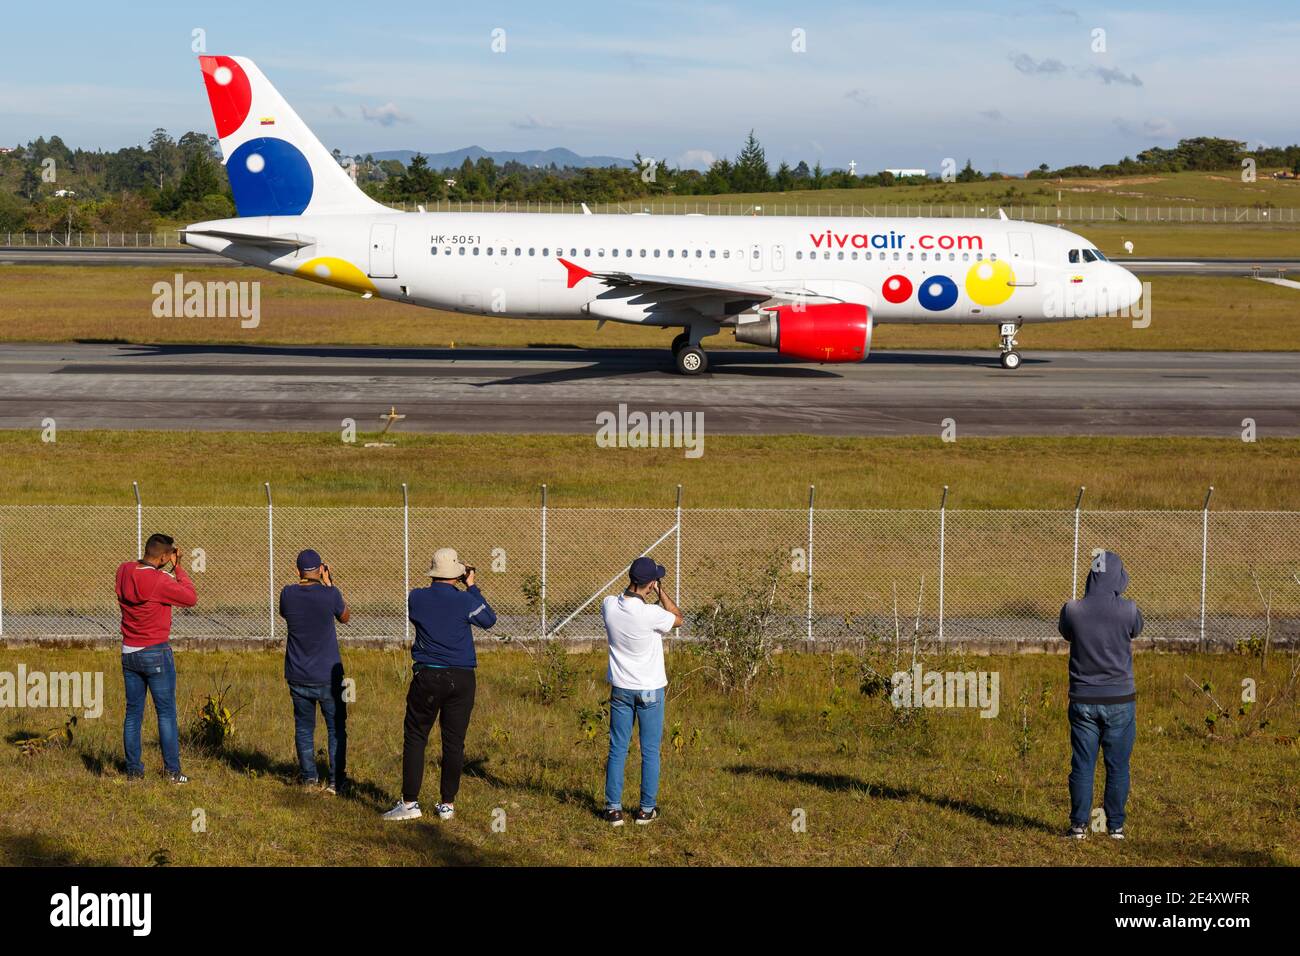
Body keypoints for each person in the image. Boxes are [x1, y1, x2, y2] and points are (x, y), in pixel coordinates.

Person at [383, 548, 496, 822]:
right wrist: (471, 586)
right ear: (457, 574)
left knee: (416, 736)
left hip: (428, 675)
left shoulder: (416, 597)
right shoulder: (465, 601)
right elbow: (489, 620)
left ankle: (409, 803)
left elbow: (419, 616)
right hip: (462, 677)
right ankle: (447, 804)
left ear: (433, 572)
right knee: (453, 742)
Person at [1058, 549, 1144, 841]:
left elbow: (1067, 633)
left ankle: (1079, 826)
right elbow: (1136, 630)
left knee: (1082, 764)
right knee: (1117, 765)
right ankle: (1115, 826)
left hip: (1082, 700)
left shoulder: (1072, 610)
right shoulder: (1129, 609)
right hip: (1120, 700)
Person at [599, 556, 683, 826]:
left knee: (618, 749)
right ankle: (646, 809)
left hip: (621, 689)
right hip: (649, 690)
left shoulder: (609, 606)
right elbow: (678, 618)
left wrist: (647, 588)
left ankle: (613, 809)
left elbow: (617, 599)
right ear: (650, 583)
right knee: (649, 751)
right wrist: (661, 592)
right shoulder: (652, 614)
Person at [115, 532, 197, 783]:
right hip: (156, 652)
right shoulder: (161, 580)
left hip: (129, 650)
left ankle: (133, 771)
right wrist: (178, 567)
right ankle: (172, 772)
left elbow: (133, 576)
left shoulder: (124, 570)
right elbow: (190, 597)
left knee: (133, 713)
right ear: (164, 557)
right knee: (166, 713)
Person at [279, 549, 350, 794]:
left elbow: (285, 613)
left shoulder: (287, 594)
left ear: (297, 570)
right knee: (336, 728)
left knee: (304, 728)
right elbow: (345, 617)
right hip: (328, 675)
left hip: (297, 673)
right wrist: (329, 583)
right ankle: (335, 781)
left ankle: (309, 778)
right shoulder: (330, 595)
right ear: (320, 569)